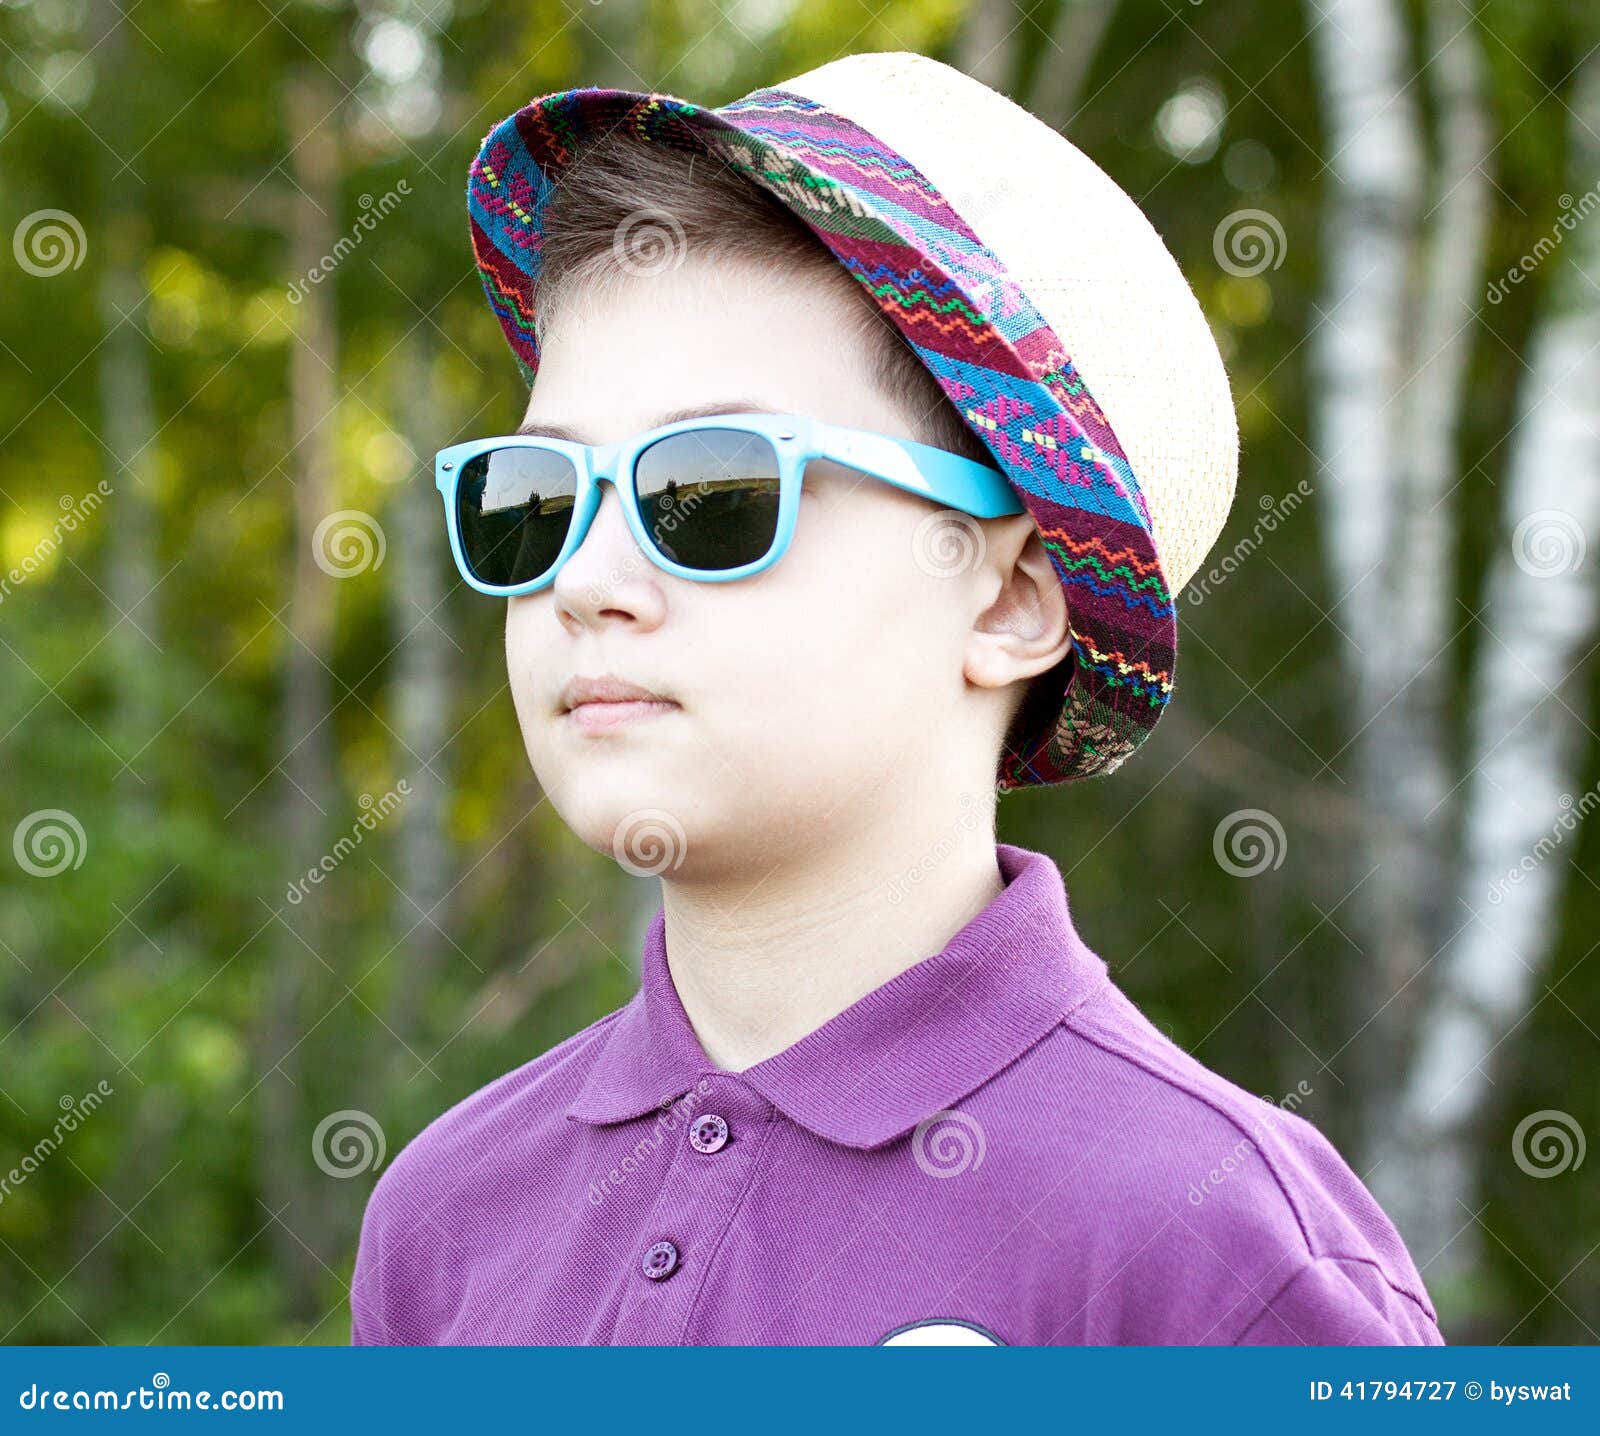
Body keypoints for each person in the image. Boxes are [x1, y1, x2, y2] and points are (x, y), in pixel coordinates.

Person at [350, 50, 1442, 1345]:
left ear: (1008, 597)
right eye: (538, 495)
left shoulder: (1211, 1253)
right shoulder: (448, 1214)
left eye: (710, 489)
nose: (586, 579)